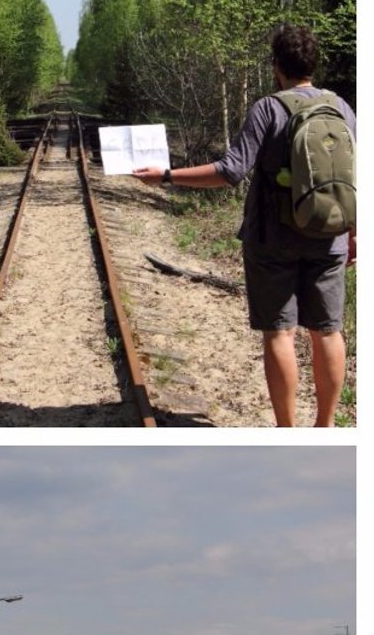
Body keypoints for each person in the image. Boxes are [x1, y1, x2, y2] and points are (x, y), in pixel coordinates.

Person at [133, 24, 356, 427]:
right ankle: (325, 426)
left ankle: (287, 430)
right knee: (327, 330)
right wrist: (354, 232)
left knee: (281, 333)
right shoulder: (341, 108)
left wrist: (166, 175)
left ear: (276, 66)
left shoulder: (269, 109)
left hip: (274, 240)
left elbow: (230, 171)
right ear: (312, 65)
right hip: (331, 237)